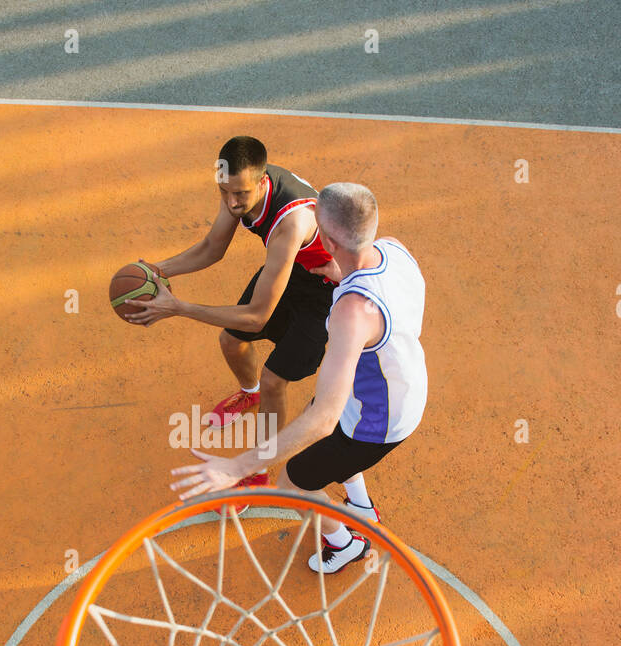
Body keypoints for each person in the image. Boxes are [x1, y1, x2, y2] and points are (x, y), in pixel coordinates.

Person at [169, 182, 427, 573]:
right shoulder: (394, 249)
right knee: (328, 445)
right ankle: (359, 504)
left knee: (293, 485)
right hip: (395, 384)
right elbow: (376, 292)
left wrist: (235, 467)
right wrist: (341, 272)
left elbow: (324, 419)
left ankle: (345, 543)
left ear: (325, 238)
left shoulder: (352, 314)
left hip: (376, 421)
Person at [124, 136, 336, 485]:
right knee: (231, 342)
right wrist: (157, 270)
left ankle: (258, 467)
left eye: (240, 195)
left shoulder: (291, 222)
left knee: (274, 380)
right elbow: (212, 247)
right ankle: (248, 393)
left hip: (325, 293)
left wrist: (180, 307)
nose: (231, 202)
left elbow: (257, 316)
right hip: (290, 269)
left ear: (262, 182)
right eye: (224, 192)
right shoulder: (237, 187)